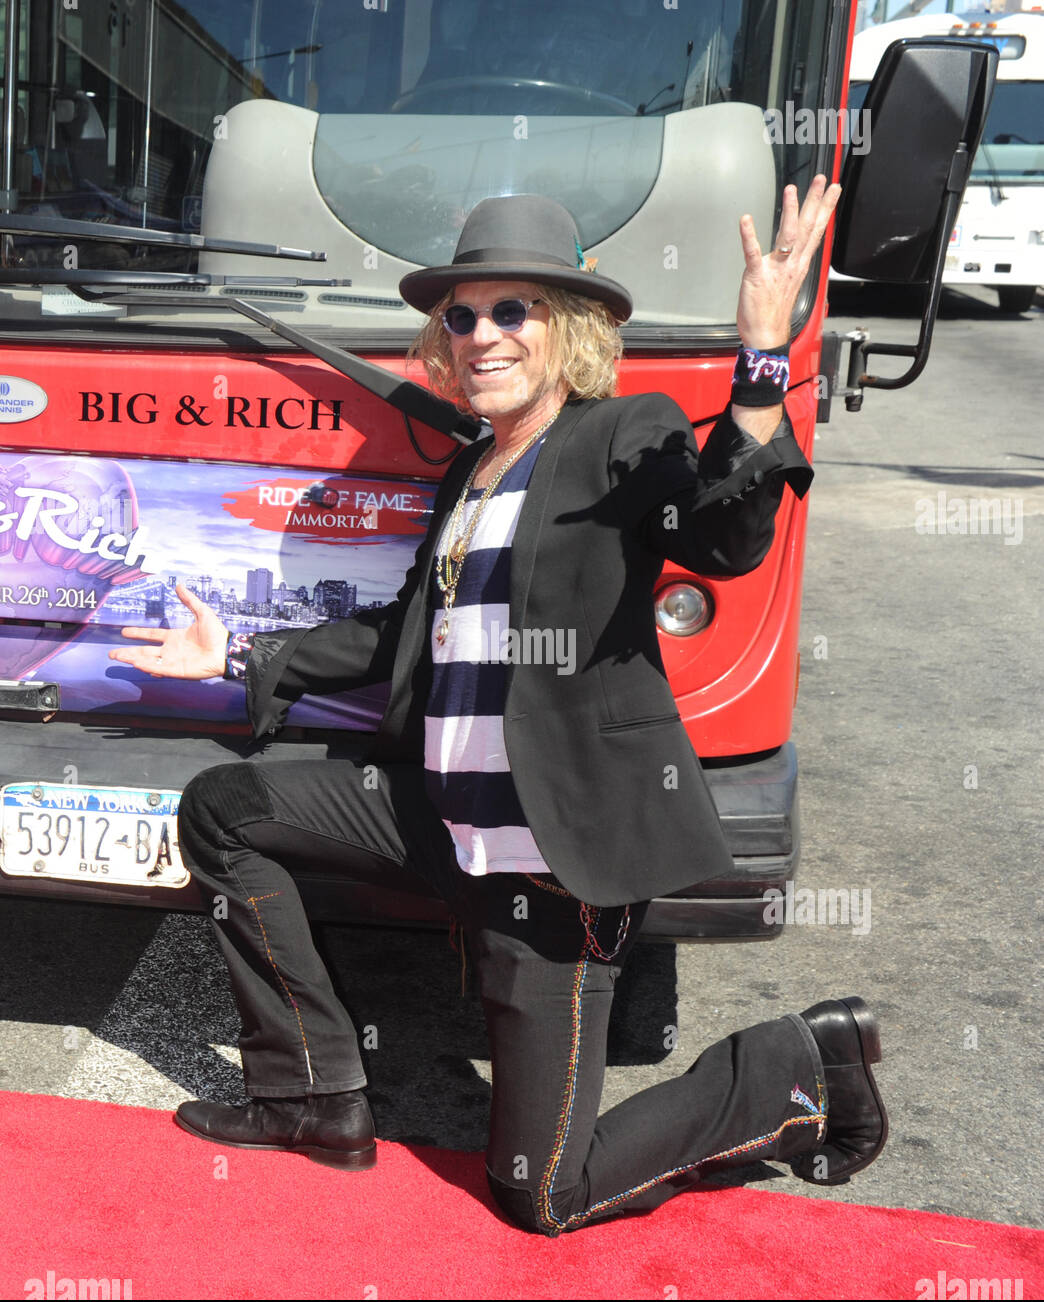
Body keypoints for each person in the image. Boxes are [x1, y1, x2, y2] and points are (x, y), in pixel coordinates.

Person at [110, 179, 887, 1237]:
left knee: (541, 1194)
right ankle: (314, 1093)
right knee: (225, 808)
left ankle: (796, 1068)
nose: (482, 333)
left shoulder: (620, 435)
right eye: (462, 314)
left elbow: (723, 535)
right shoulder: (472, 471)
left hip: (551, 861)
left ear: (563, 328)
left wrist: (761, 360)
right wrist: (237, 651)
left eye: (511, 310)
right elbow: (401, 638)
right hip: (438, 819)